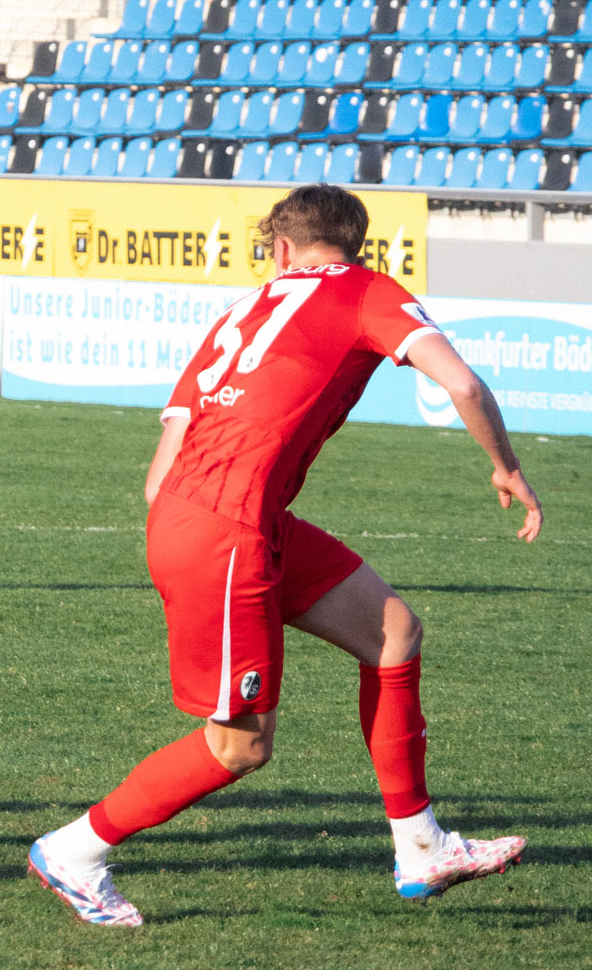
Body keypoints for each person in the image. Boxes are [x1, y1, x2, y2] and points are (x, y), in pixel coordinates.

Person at [28, 184, 541, 927]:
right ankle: (74, 850)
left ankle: (421, 847)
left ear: (280, 248)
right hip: (229, 529)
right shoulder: (365, 290)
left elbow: (156, 478)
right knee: (240, 747)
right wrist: (507, 467)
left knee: (393, 632)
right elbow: (461, 380)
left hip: (214, 518)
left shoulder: (239, 312)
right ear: (357, 246)